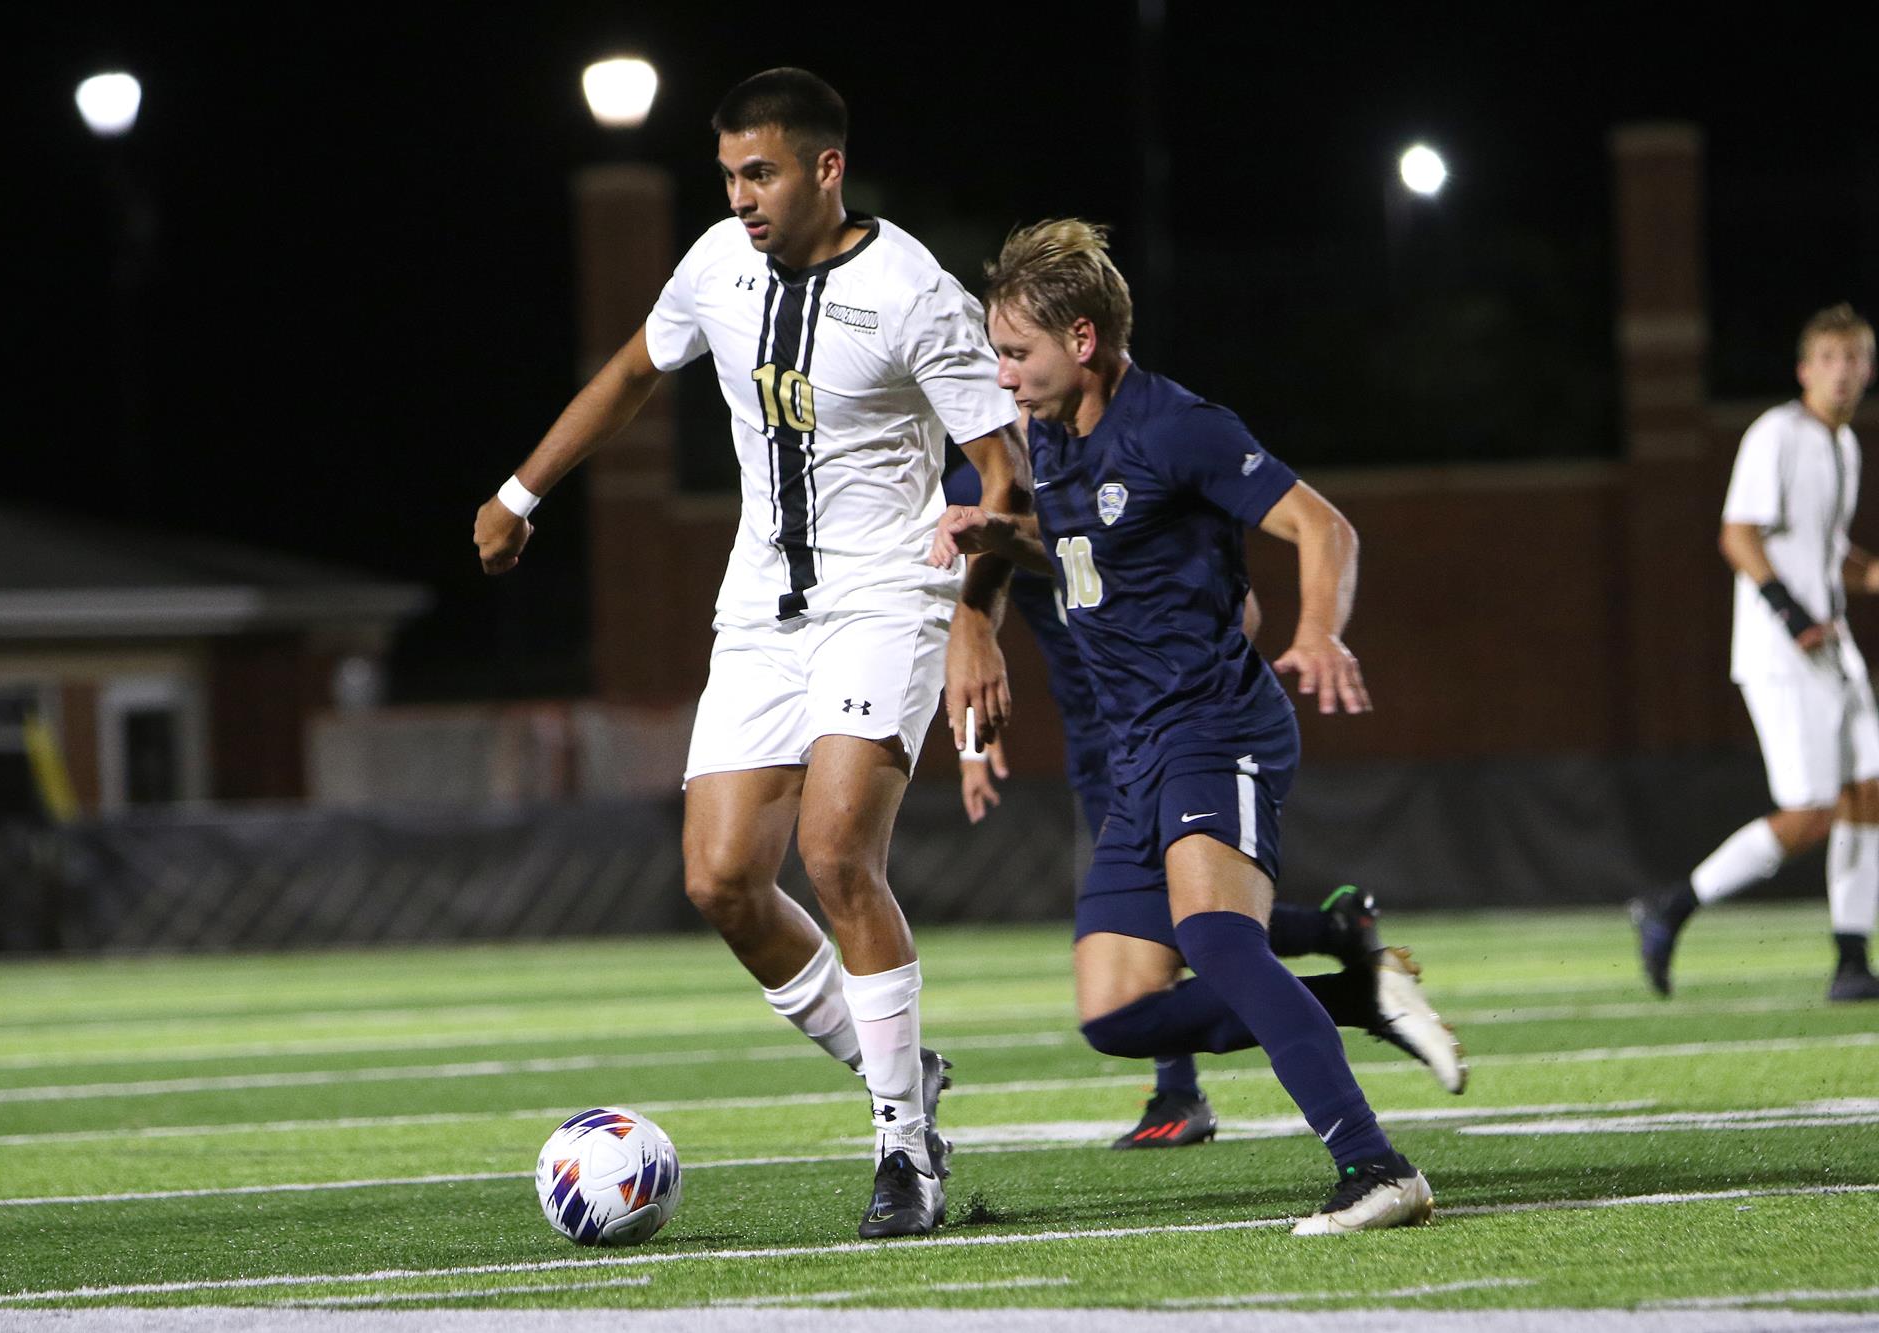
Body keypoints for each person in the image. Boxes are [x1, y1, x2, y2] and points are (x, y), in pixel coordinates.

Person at [473, 68, 1030, 1238]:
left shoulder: (911, 291)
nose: (739, 197)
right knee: (722, 879)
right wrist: (521, 493)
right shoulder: (716, 267)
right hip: (758, 612)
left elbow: (1004, 474)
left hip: (886, 598)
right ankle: (901, 1073)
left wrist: (975, 617)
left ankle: (902, 1149)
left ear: (827, 168)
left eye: (761, 173)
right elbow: (633, 370)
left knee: (834, 854)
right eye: (728, 174)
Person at [931, 218, 1432, 1233]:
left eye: (1016, 351)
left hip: (1214, 722)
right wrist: (1000, 537)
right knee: (1117, 1015)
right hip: (1135, 748)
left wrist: (1319, 632)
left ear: (1081, 339)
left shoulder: (1175, 426)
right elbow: (1082, 551)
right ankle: (1357, 996)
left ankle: (1374, 1164)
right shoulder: (1047, 435)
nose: (1001, 374)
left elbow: (1323, 525)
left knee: (1215, 935)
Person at [944, 464, 1465, 1150]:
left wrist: (1212, 698)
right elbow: (975, 597)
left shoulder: (1138, 445)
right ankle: (1344, 956)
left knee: (1208, 931)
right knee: (1120, 1003)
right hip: (1106, 741)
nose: (1015, 401)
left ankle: (1346, 1149)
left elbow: (1266, 579)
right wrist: (971, 733)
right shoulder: (987, 483)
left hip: (1188, 732)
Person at [1633, 303, 1879, 1003]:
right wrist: (1791, 613)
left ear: (1868, 369)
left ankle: (1851, 960)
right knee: (1810, 813)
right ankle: (1672, 904)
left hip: (1832, 649)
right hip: (1782, 651)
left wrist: (1869, 575)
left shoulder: (1844, 445)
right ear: (1804, 370)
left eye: (1853, 358)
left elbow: (1827, 553)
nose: (1841, 371)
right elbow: (1737, 534)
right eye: (1828, 358)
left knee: (1869, 788)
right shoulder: (1779, 432)